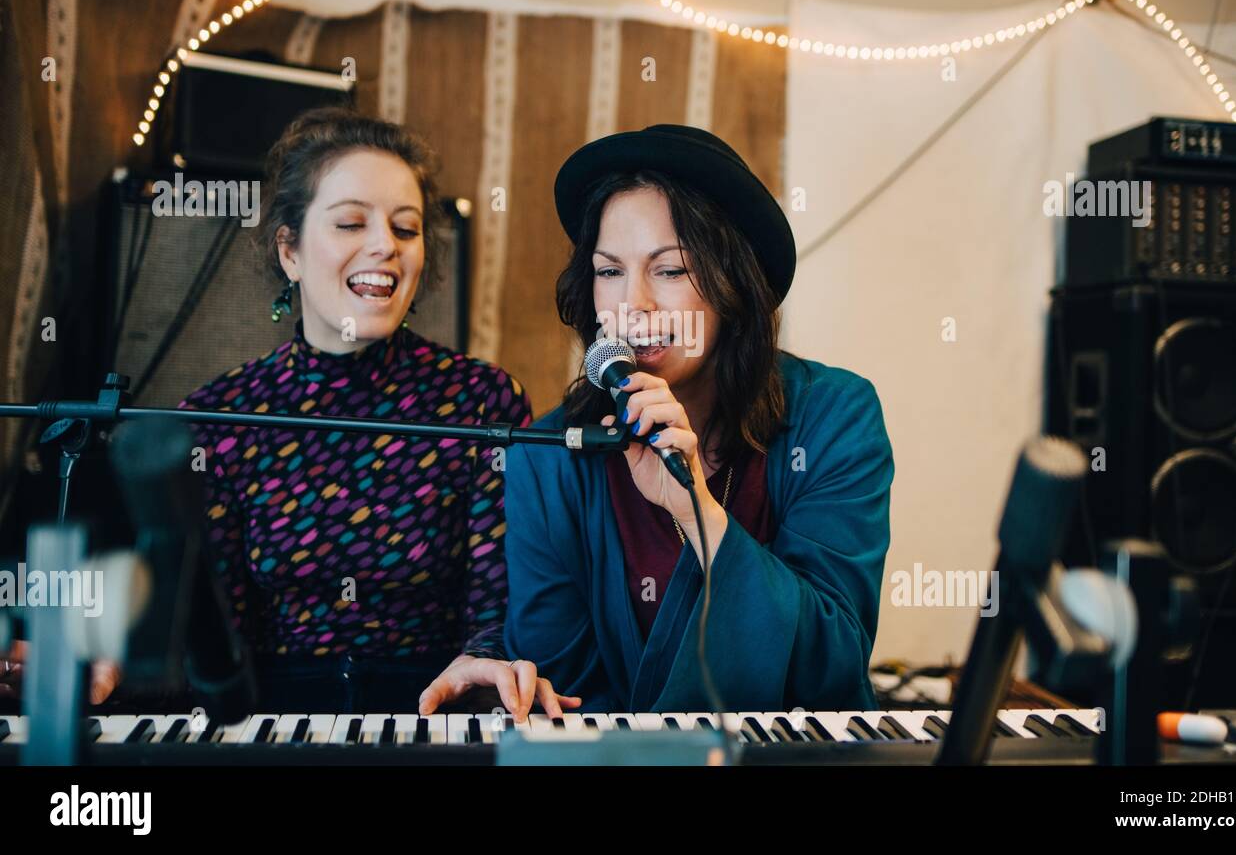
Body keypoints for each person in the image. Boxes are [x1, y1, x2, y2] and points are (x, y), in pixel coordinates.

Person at [170, 107, 578, 719]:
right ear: (290, 251)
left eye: (406, 228)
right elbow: (210, 635)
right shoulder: (221, 416)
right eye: (351, 222)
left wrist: (487, 659)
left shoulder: (482, 400)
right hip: (273, 720)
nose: (385, 245)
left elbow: (497, 604)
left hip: (433, 710)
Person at [503, 124, 893, 712]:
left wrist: (699, 513)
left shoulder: (835, 415)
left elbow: (832, 667)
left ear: (735, 283)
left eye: (671, 269)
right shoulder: (549, 453)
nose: (633, 304)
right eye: (609, 271)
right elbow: (565, 690)